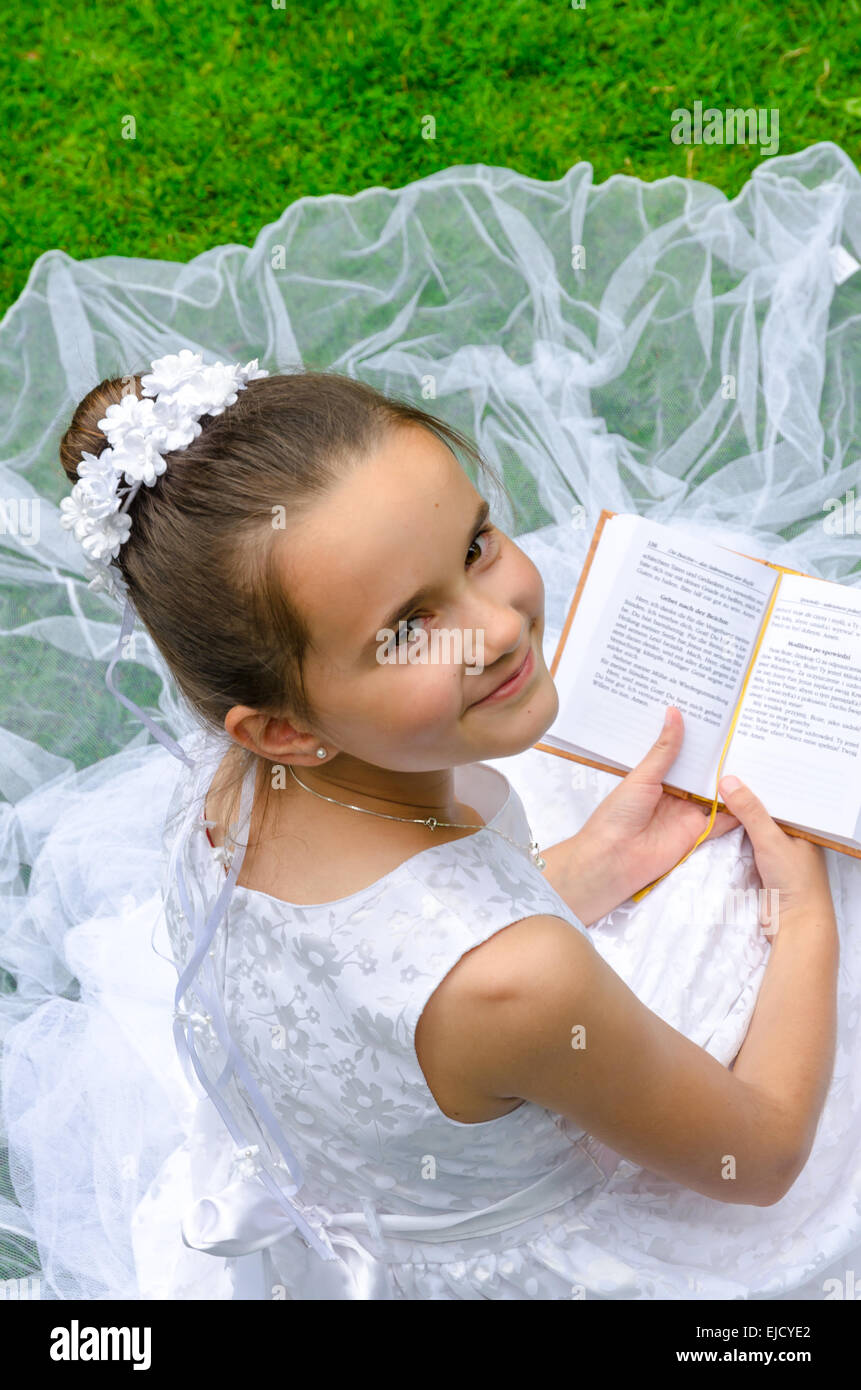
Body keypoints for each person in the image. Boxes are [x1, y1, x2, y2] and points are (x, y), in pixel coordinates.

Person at [9, 347, 849, 1301]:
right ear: (283, 726)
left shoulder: (234, 797)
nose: (493, 627)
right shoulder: (514, 983)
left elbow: (382, 985)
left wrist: (582, 868)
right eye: (408, 630)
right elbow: (763, 1157)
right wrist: (808, 908)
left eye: (475, 545)